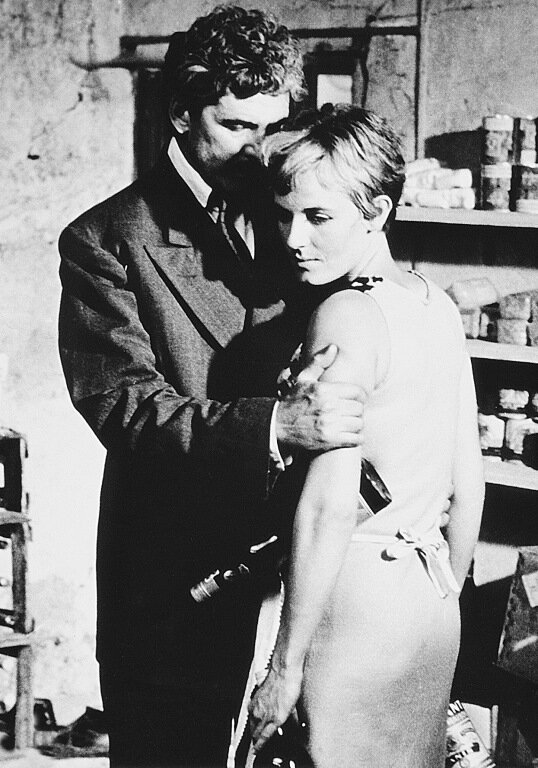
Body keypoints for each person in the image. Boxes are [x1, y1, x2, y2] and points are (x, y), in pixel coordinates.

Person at [58, 7, 365, 768]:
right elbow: (126, 407)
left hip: (302, 565)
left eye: (274, 126)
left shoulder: (294, 209)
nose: (260, 149)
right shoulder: (106, 240)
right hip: (173, 576)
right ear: (180, 114)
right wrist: (274, 426)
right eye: (235, 126)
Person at [247, 104, 485, 768]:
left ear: (376, 212)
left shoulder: (347, 312)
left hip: (349, 605)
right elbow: (468, 484)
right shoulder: (435, 305)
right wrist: (441, 594)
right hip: (428, 599)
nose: (294, 237)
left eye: (318, 217)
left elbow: (327, 507)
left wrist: (284, 666)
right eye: (284, 215)